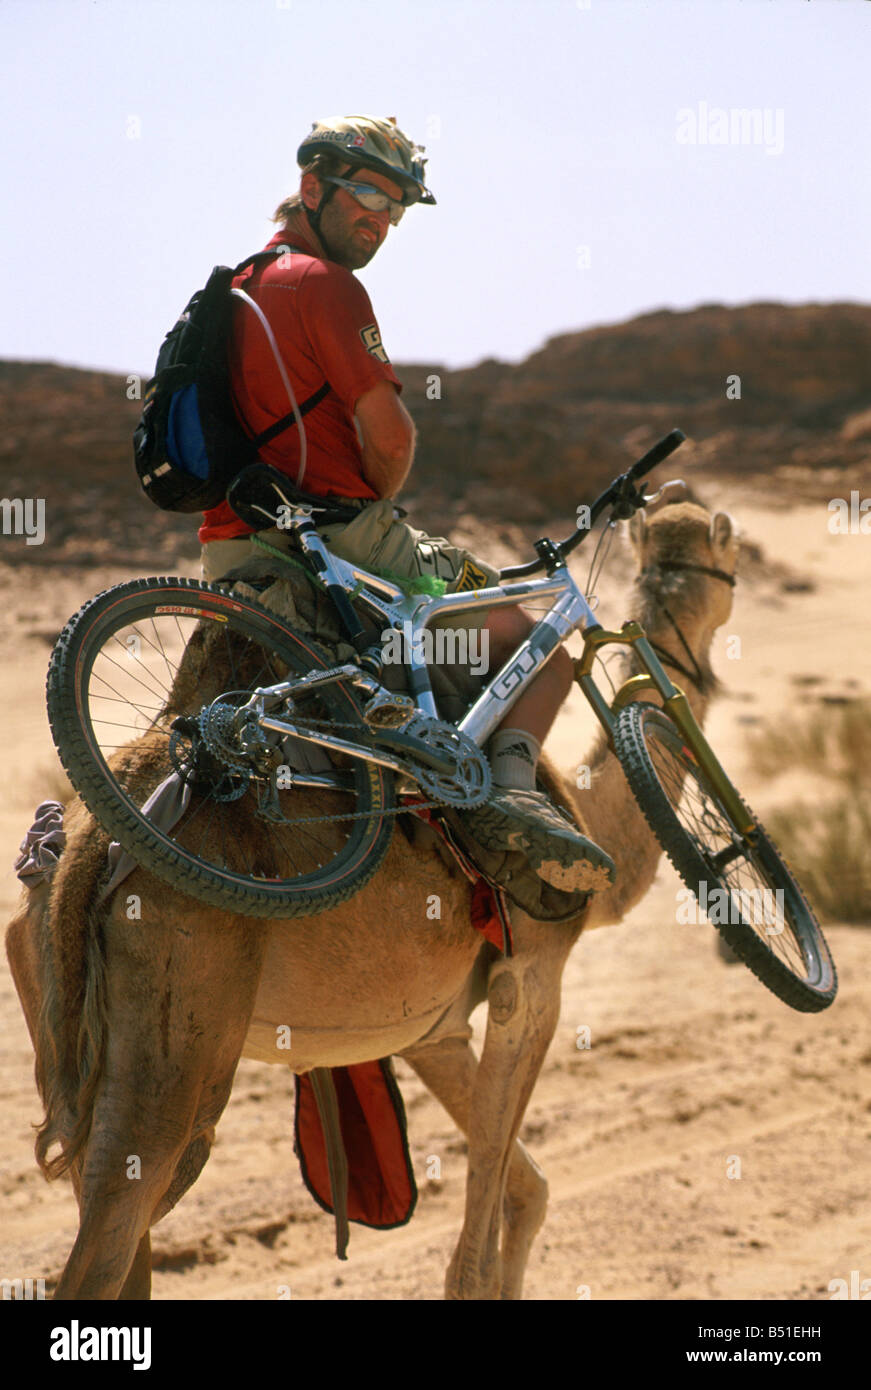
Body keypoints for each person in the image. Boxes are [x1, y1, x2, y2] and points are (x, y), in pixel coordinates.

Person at [199, 114, 615, 900]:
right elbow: (387, 440)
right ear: (311, 186)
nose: (379, 221)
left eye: (393, 208)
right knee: (537, 650)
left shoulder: (236, 288)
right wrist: (376, 505)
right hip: (339, 536)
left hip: (233, 549)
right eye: (365, 194)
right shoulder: (323, 285)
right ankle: (510, 798)